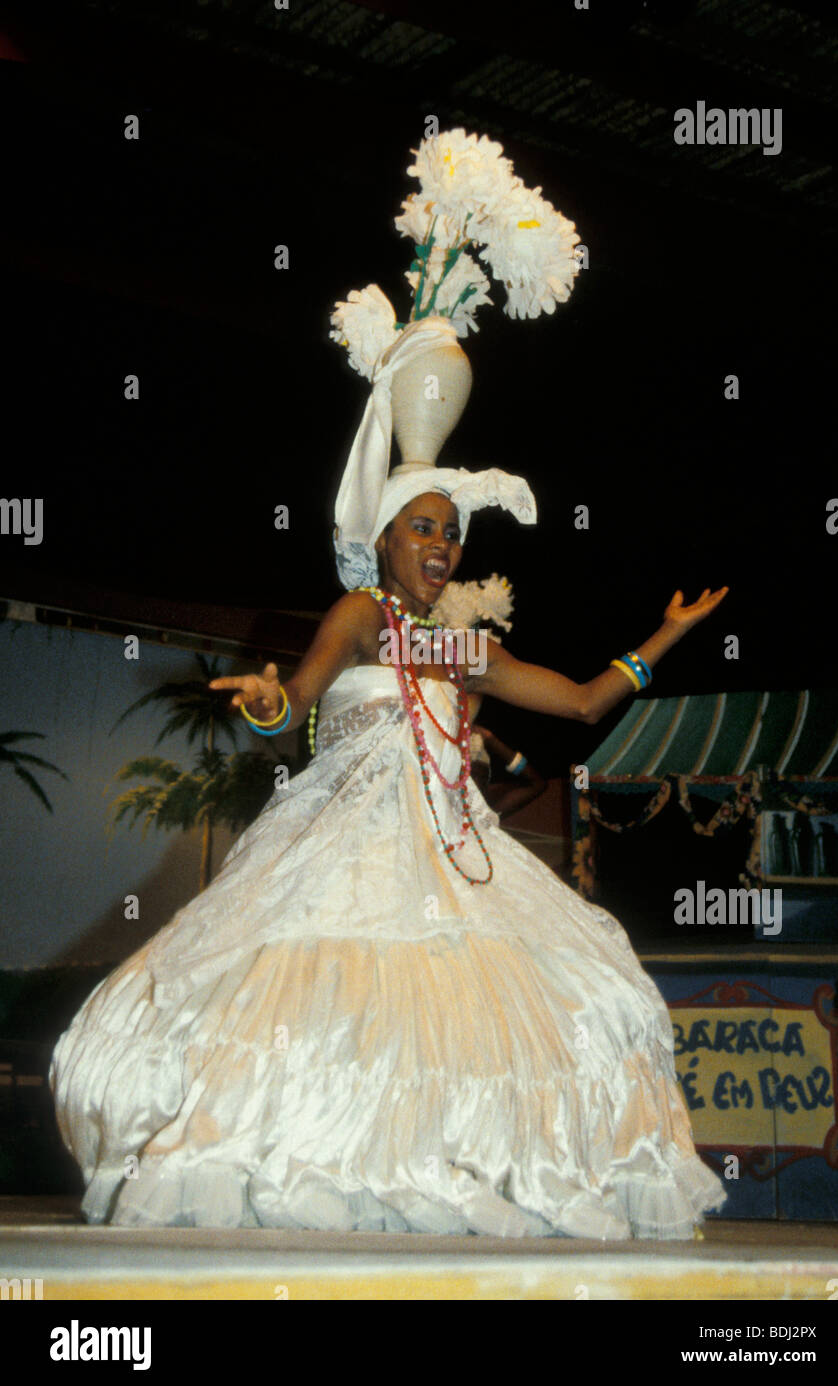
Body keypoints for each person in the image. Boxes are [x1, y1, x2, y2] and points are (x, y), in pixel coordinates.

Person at [50, 471, 729, 1238]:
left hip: (449, 851)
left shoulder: (461, 647)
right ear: (382, 540)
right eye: (421, 527)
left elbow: (581, 701)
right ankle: (301, 1168)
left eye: (448, 532)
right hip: (350, 850)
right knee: (325, 1004)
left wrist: (668, 634)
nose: (440, 544)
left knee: (562, 998)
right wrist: (270, 703)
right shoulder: (361, 614)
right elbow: (292, 705)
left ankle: (435, 1170)